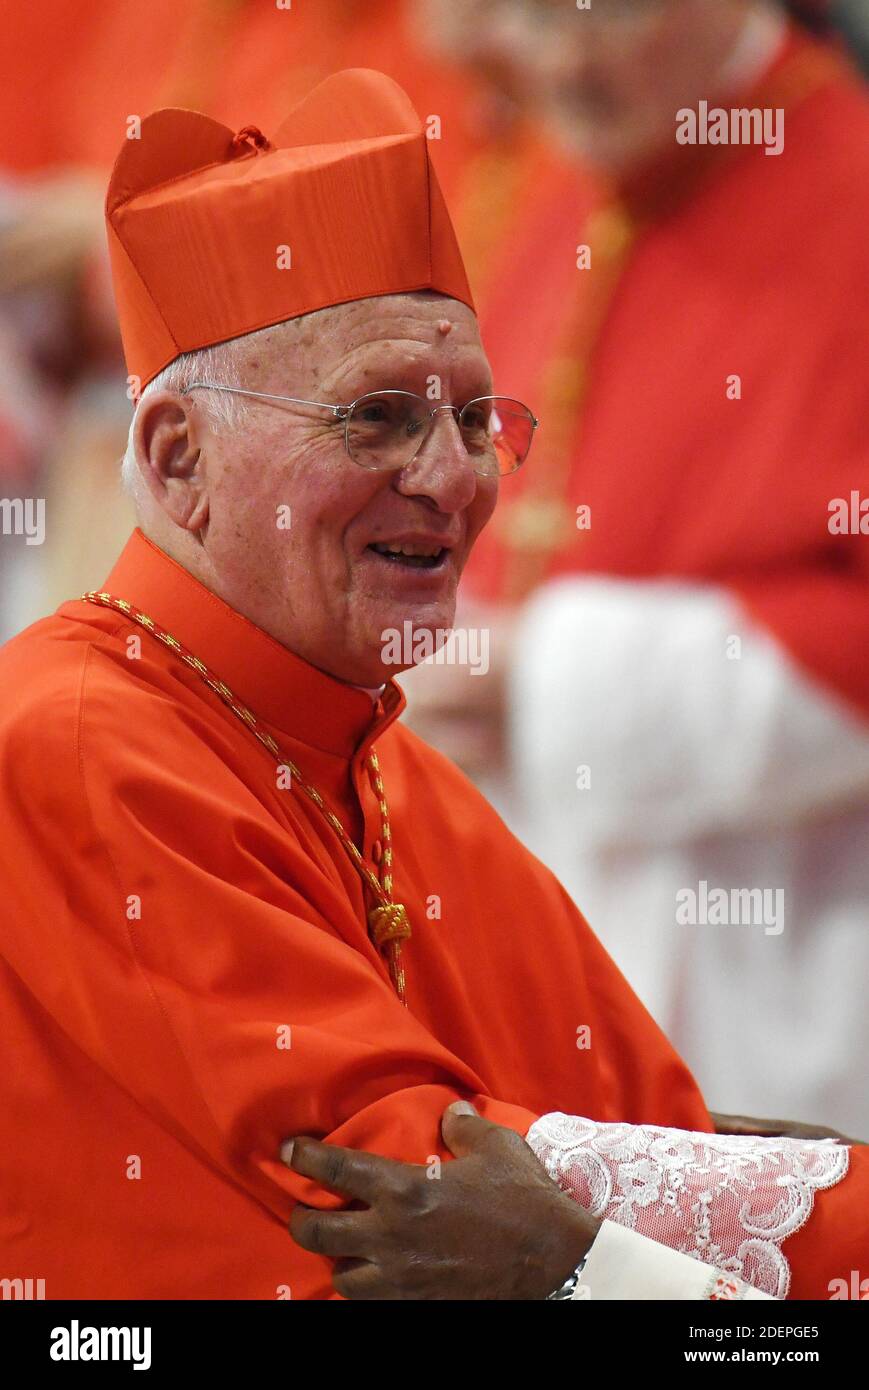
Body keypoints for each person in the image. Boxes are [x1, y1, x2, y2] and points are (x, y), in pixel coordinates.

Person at [0, 69, 865, 1302]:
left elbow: (653, 1127)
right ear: (176, 455)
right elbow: (415, 1199)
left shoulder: (402, 777)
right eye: (376, 419)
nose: (452, 478)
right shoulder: (72, 739)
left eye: (472, 418)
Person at [404, 0, 869, 1136]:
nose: (546, 56)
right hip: (533, 936)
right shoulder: (561, 181)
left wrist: (542, 675)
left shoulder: (840, 193)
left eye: (591, 10)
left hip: (768, 969)